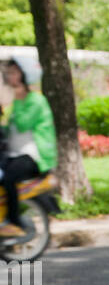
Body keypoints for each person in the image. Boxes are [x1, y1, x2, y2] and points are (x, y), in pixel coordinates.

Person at [0, 59, 57, 239]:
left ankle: (14, 222)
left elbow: (24, 123)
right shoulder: (14, 101)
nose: (11, 77)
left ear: (23, 74)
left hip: (34, 155)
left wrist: (14, 100)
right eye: (8, 73)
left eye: (14, 72)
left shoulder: (35, 100)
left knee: (8, 178)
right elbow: (8, 129)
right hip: (15, 153)